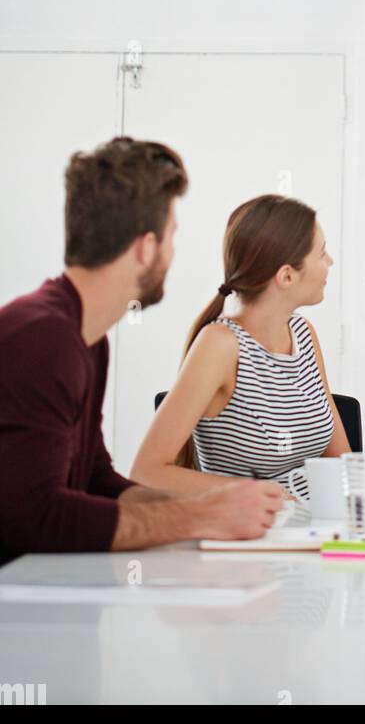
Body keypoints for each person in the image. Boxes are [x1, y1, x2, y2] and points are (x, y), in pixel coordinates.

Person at [0, 138, 284, 564]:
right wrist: (196, 516)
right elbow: (33, 516)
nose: (172, 253)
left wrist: (217, 507)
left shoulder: (85, 339)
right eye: (171, 237)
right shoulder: (45, 339)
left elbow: (95, 481)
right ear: (145, 247)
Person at [132, 195, 350, 500]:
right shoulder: (220, 345)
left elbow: (341, 463)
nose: (330, 262)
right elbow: (147, 473)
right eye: (322, 254)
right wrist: (262, 495)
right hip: (246, 537)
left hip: (311, 531)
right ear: (287, 275)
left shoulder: (303, 333)